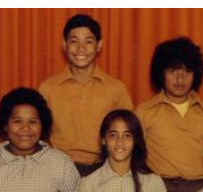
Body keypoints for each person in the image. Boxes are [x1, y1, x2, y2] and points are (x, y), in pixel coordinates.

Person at [39, 13, 134, 175]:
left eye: (88, 42)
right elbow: (38, 135)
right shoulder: (48, 88)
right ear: (64, 45)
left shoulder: (115, 88)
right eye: (74, 41)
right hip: (58, 169)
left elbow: (130, 133)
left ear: (99, 45)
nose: (81, 48)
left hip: (105, 168)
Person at [136, 36, 203, 192]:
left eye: (187, 71)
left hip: (201, 189)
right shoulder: (144, 112)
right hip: (159, 189)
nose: (180, 79)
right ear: (161, 73)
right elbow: (135, 158)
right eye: (173, 71)